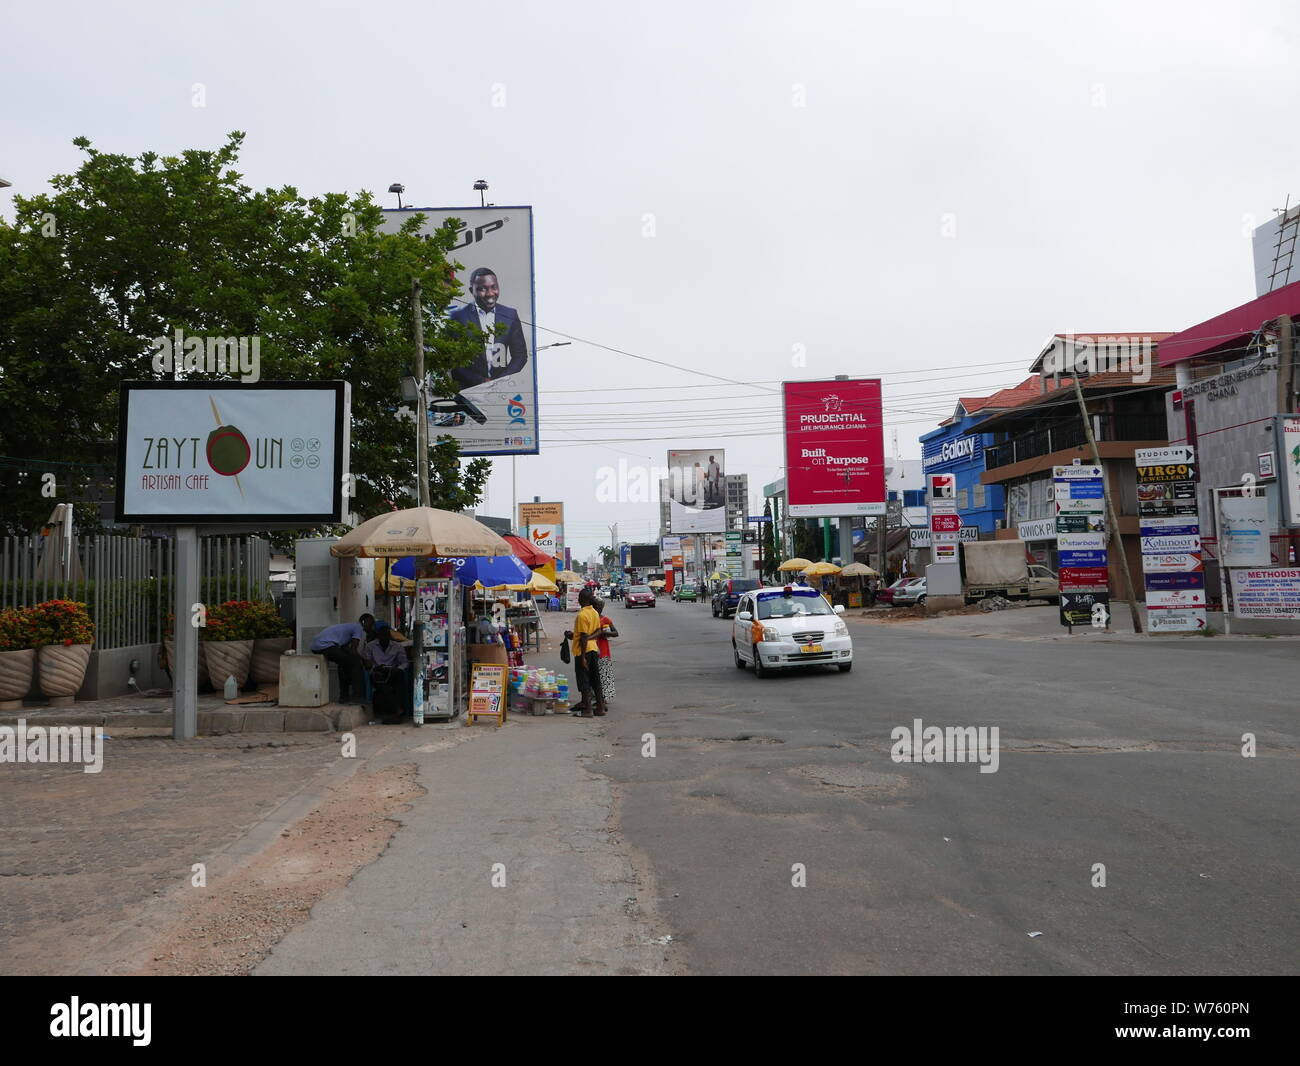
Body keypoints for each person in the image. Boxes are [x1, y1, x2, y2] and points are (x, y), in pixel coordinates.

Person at [446, 267, 529, 390]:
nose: (490, 294)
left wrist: (500, 381)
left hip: (501, 391)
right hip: (467, 391)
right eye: (482, 289)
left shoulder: (510, 315)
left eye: (493, 287)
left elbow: (520, 355)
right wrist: (481, 381)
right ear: (471, 290)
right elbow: (451, 360)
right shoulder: (457, 317)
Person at [309, 614, 375, 704]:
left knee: (344, 664)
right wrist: (364, 661)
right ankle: (357, 696)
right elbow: (353, 650)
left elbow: (346, 650)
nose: (372, 627)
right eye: (371, 624)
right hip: (325, 645)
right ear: (364, 622)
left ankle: (344, 697)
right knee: (355, 662)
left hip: (316, 646)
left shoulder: (348, 628)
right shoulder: (358, 627)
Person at [564, 588, 606, 717]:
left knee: (584, 681)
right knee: (595, 679)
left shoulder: (582, 615)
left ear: (581, 599)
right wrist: (585, 637)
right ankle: (600, 708)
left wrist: (582, 657)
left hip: (584, 651)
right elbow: (598, 631)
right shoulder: (594, 612)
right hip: (593, 649)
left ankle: (588, 710)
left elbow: (583, 637)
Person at [364, 622, 410, 724]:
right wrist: (375, 668)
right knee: (383, 685)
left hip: (392, 671)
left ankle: (397, 711)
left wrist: (397, 669)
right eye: (382, 635)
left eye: (386, 635)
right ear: (378, 636)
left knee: (399, 677)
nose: (384, 637)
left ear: (389, 635)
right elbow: (367, 664)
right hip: (377, 672)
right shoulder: (370, 646)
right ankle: (395, 711)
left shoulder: (397, 646)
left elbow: (404, 663)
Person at [593, 597, 619, 704]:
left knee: (604, 672)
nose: (599, 608)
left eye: (600, 607)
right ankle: (596, 697)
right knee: (594, 675)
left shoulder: (606, 620)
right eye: (597, 606)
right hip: (593, 649)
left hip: (603, 649)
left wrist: (606, 633)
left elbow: (616, 633)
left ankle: (604, 698)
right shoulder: (591, 619)